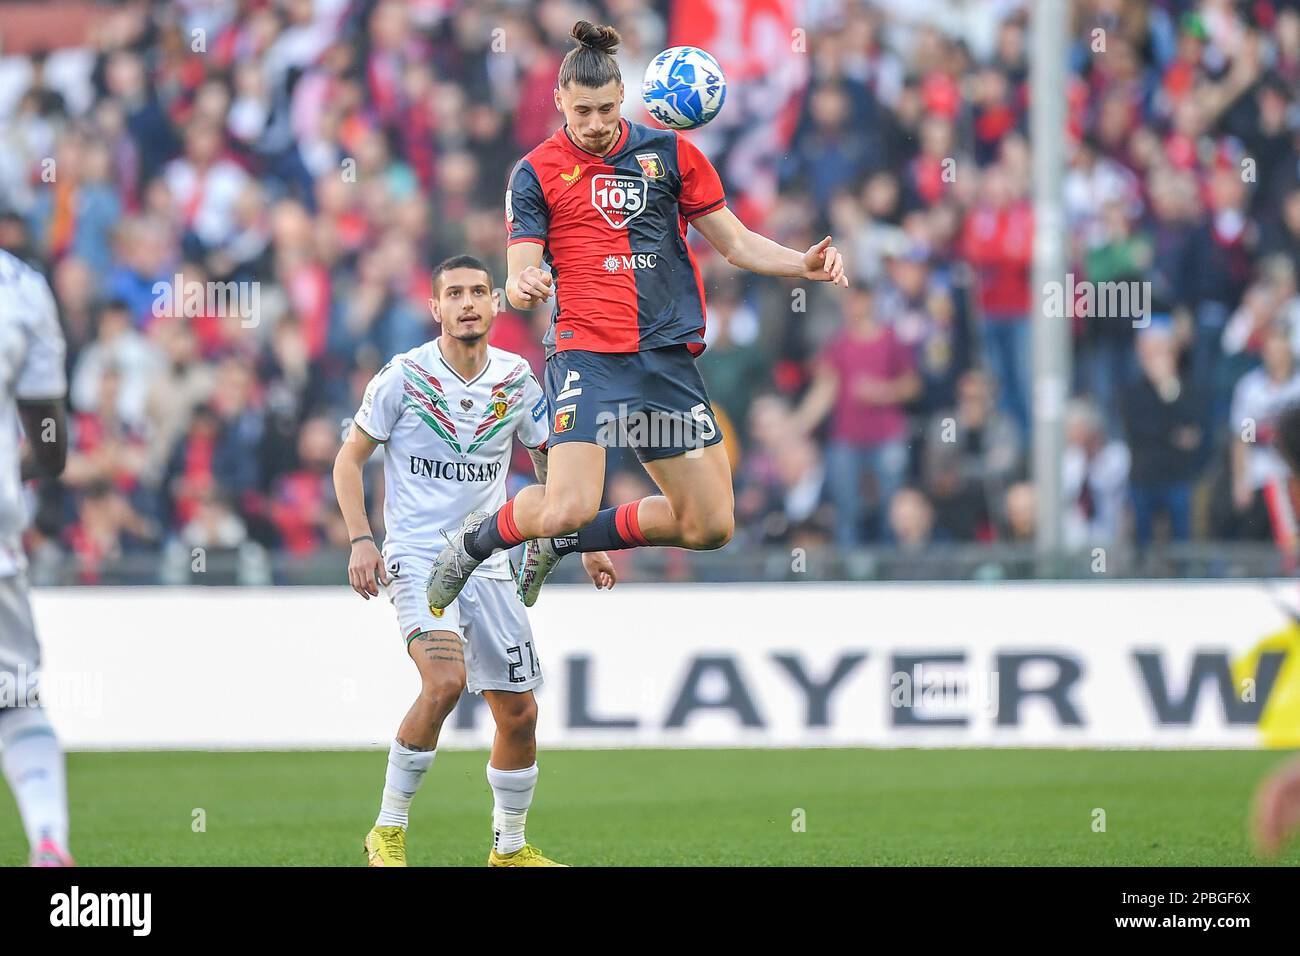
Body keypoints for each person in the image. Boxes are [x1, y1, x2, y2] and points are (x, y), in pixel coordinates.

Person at [423, 21, 848, 611]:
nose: (594, 124)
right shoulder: (535, 172)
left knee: (709, 524)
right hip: (588, 359)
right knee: (568, 498)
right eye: (580, 113)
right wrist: (524, 282)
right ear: (558, 103)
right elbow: (519, 276)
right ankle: (473, 542)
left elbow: (737, 243)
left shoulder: (672, 154)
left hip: (664, 360)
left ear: (622, 96)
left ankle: (563, 539)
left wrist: (802, 264)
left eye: (603, 109)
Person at [333, 255, 616, 867]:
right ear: (434, 308)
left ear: (495, 304)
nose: (467, 303)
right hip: (416, 555)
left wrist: (585, 542)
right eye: (453, 293)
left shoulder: (517, 379)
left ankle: (508, 849)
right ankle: (387, 829)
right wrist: (360, 538)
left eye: (478, 292)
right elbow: (348, 459)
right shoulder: (402, 377)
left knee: (520, 711)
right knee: (445, 681)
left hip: (489, 559)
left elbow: (551, 470)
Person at [0, 249, 73, 866]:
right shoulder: (22, 288)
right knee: (14, 702)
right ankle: (48, 841)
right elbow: (49, 441)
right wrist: (20, 467)